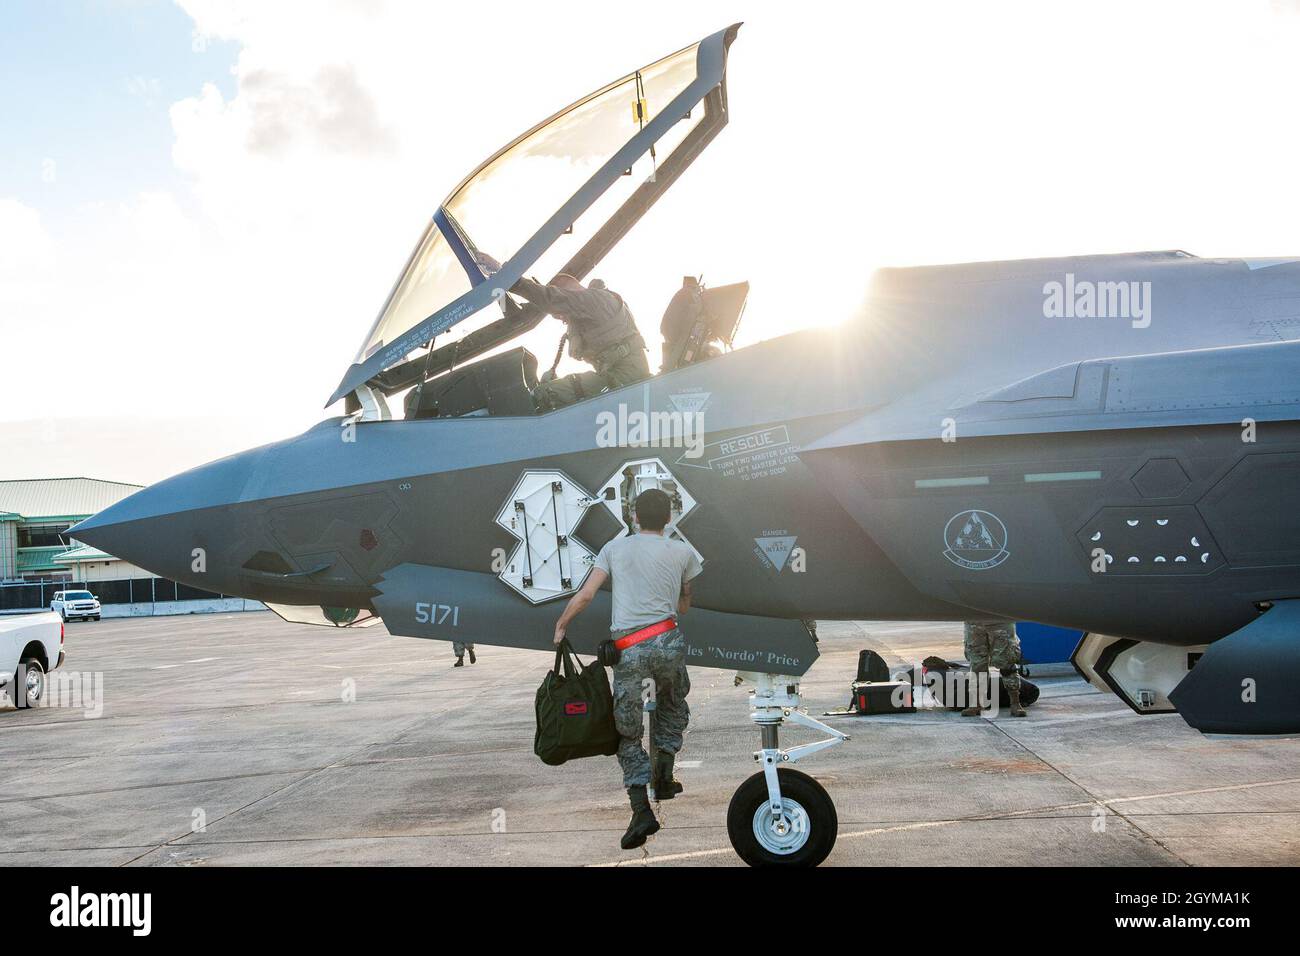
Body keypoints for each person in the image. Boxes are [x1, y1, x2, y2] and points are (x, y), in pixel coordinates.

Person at [552, 488, 701, 850]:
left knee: (627, 730)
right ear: (668, 518)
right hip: (667, 642)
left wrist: (562, 625)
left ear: (633, 517)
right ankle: (665, 774)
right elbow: (684, 605)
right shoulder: (684, 552)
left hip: (628, 650)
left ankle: (641, 810)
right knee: (672, 703)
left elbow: (586, 595)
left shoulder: (615, 549)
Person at [475, 254, 649, 410]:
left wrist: (506, 275)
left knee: (545, 396)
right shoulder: (588, 312)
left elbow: (551, 299)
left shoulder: (596, 301)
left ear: (568, 293)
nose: (560, 318)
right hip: (619, 380)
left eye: (559, 314)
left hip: (629, 381)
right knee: (550, 390)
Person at [960, 621, 1026, 717]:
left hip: (999, 621)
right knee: (977, 664)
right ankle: (976, 704)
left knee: (1006, 661)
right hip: (973, 623)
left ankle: (1015, 703)